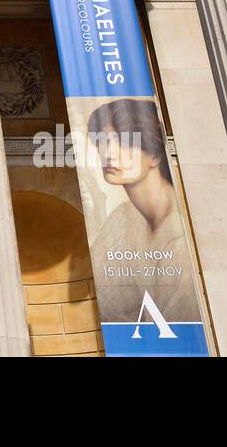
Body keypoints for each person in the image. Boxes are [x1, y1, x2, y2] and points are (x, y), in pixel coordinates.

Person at [86, 98, 199, 321]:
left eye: (124, 142)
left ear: (155, 155)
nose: (109, 153)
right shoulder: (119, 221)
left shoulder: (180, 233)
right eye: (103, 141)